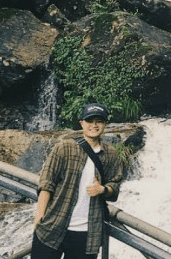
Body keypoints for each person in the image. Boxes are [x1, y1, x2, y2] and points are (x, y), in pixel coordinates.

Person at [32, 102, 123, 259]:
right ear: (81, 122)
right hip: (54, 223)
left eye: (99, 121)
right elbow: (47, 183)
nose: (94, 125)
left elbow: (115, 185)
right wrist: (39, 215)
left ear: (105, 124)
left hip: (87, 233)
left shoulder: (111, 155)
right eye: (89, 121)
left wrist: (102, 189)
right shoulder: (65, 148)